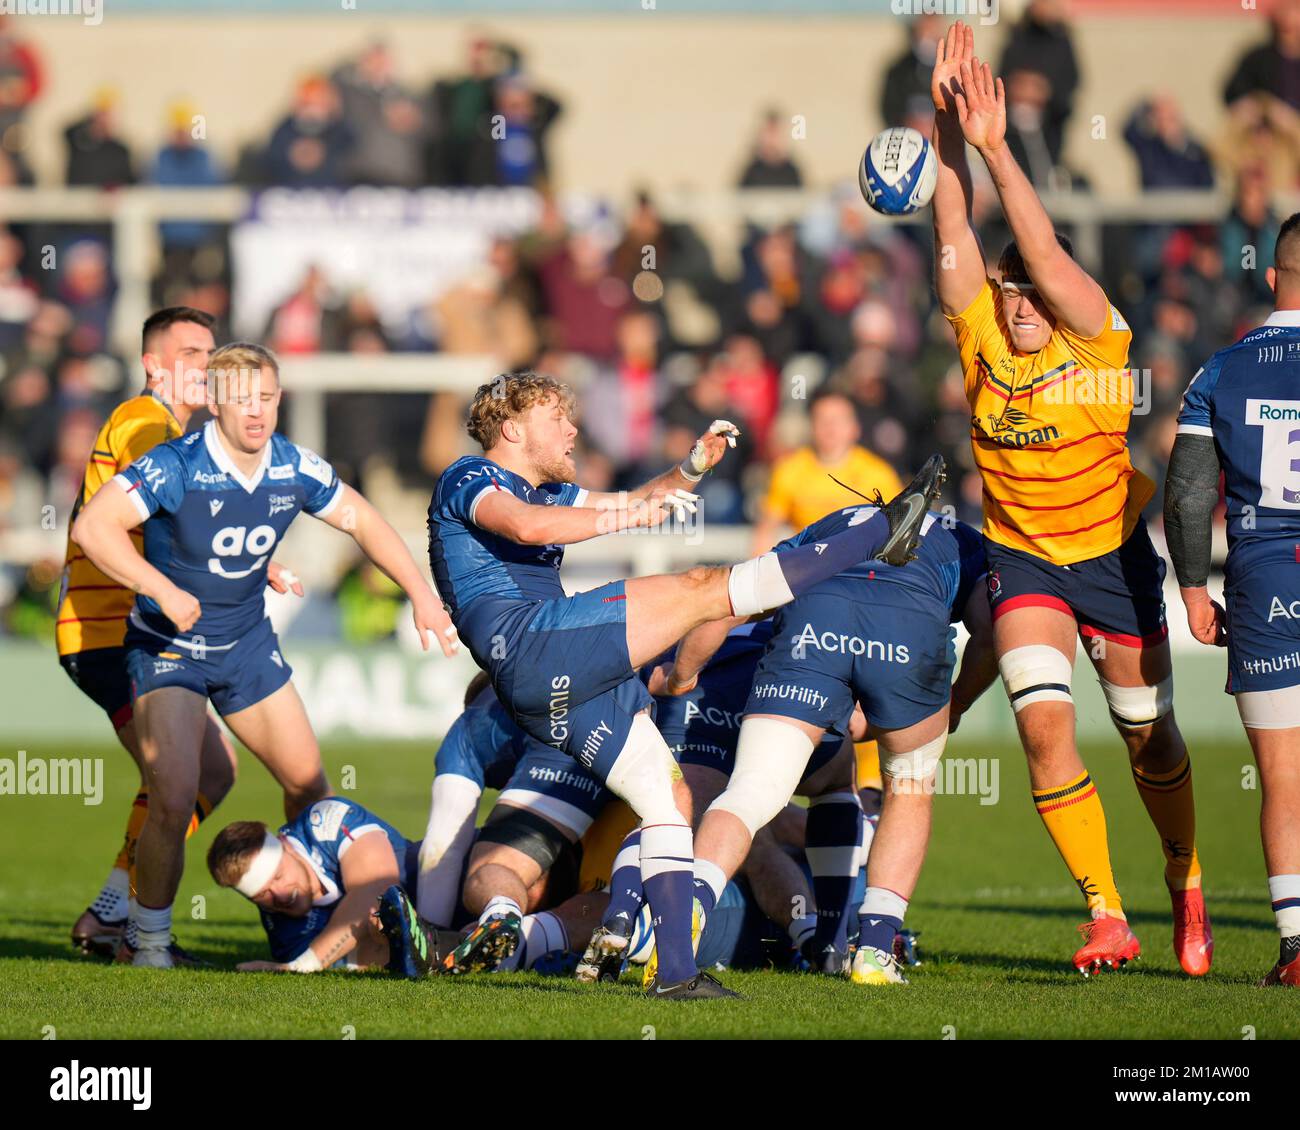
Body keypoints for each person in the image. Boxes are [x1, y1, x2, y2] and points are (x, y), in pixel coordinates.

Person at [427, 370, 945, 997]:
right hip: (535, 645)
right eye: (555, 417)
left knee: (669, 801)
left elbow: (629, 502)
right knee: (705, 587)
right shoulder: (469, 477)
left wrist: (688, 471)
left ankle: (675, 974)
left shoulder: (547, 492)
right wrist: (629, 515)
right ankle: (875, 533)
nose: (571, 428)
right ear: (511, 429)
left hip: (549, 684)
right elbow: (527, 528)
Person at [930, 21, 1210, 976]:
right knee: (1043, 724)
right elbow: (953, 228)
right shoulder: (978, 336)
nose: (1013, 298)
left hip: (1114, 555)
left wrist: (997, 147)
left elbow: (1041, 247)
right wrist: (942, 129)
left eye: (1026, 287)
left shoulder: (1096, 337)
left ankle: (1185, 879)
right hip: (1025, 559)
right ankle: (1105, 912)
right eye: (1005, 287)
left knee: (1149, 738)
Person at [71, 342, 455, 968]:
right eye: (244, 399)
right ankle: (148, 945)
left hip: (245, 647)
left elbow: (362, 520)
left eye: (268, 398)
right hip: (169, 650)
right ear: (216, 402)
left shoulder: (292, 466)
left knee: (310, 788)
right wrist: (162, 589)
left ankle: (315, 938)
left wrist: (422, 596)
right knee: (173, 796)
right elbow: (93, 527)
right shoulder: (177, 464)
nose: (257, 411)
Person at [672, 506, 995, 987]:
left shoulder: (829, 525)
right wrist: (958, 703)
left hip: (815, 620)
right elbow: (990, 632)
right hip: (909, 628)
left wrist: (682, 674)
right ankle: (875, 951)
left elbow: (735, 597)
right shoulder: (965, 539)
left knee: (752, 790)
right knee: (908, 785)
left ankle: (683, 921)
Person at [58, 308, 293, 960]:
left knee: (204, 772)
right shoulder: (144, 422)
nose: (206, 365)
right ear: (153, 366)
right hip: (110, 631)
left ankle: (114, 910)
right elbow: (156, 503)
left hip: (123, 629)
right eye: (190, 352)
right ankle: (131, 926)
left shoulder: (178, 435)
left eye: (212, 353)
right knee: (183, 779)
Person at [1166, 212, 1300, 988]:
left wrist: (1191, 587)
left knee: (1282, 779)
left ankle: (1294, 947)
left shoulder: (1222, 368)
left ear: (1272, 277)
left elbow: (1186, 495)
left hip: (1266, 577)